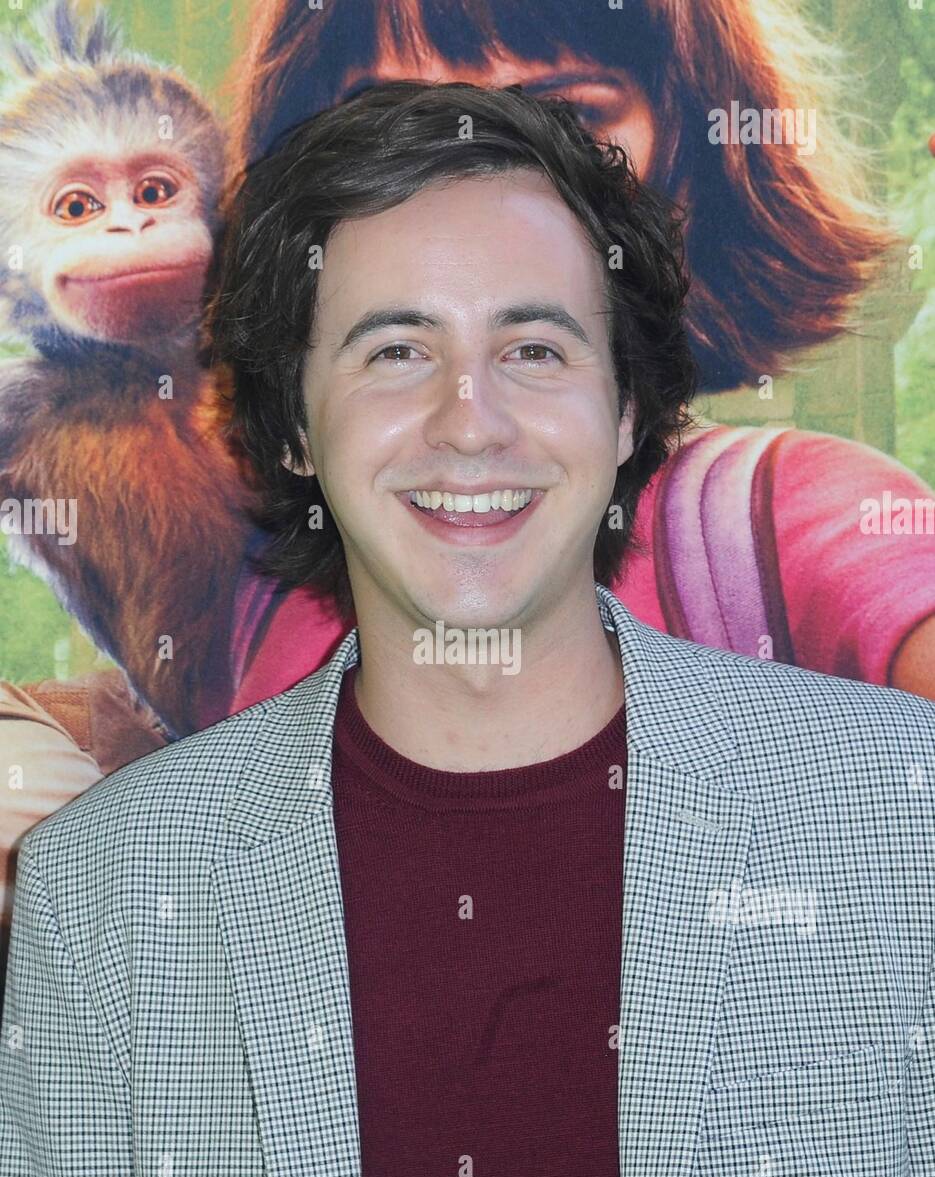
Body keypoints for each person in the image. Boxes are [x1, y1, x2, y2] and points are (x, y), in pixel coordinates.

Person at [1, 81, 932, 1177]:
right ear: (290, 428)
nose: (468, 421)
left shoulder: (897, 817)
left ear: (626, 411)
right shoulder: (104, 889)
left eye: (532, 349)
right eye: (396, 350)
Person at [222, 0, 935, 710]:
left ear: (695, 157)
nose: (472, 200)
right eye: (391, 126)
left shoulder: (799, 527)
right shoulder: (256, 571)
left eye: (568, 118)